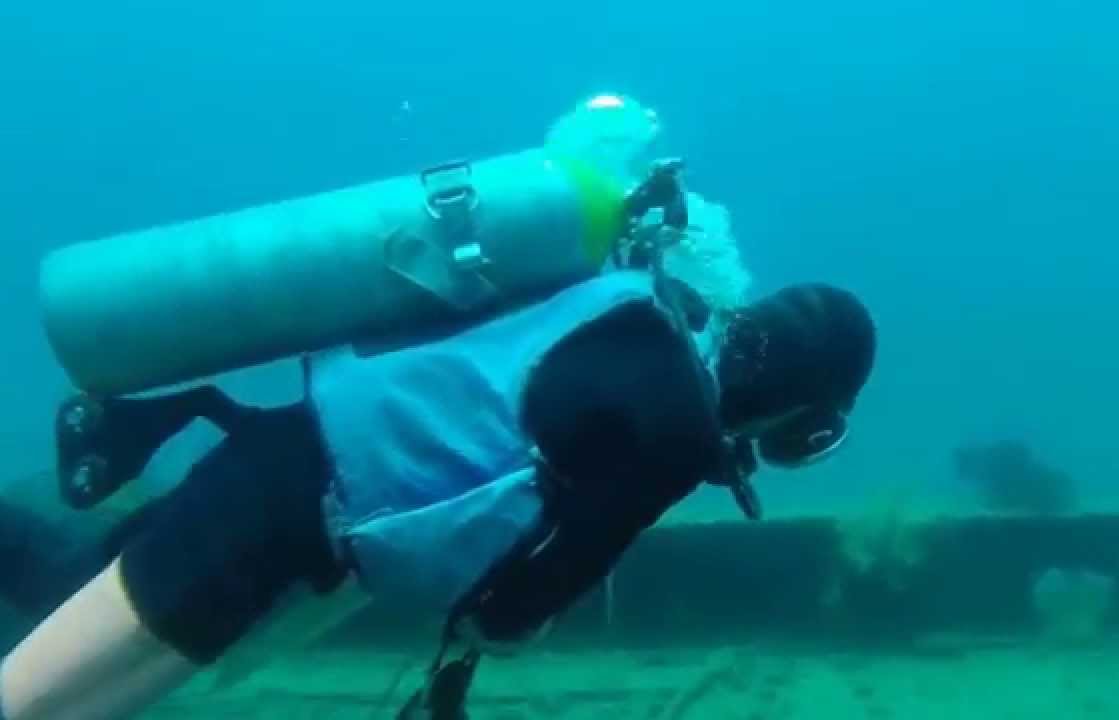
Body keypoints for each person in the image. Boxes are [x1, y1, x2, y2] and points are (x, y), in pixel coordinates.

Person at [0, 104, 877, 720]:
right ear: (803, 409)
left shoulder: (645, 295)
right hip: (271, 529)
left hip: (280, 466)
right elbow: (513, 609)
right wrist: (511, 632)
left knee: (57, 590)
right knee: (34, 700)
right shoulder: (680, 433)